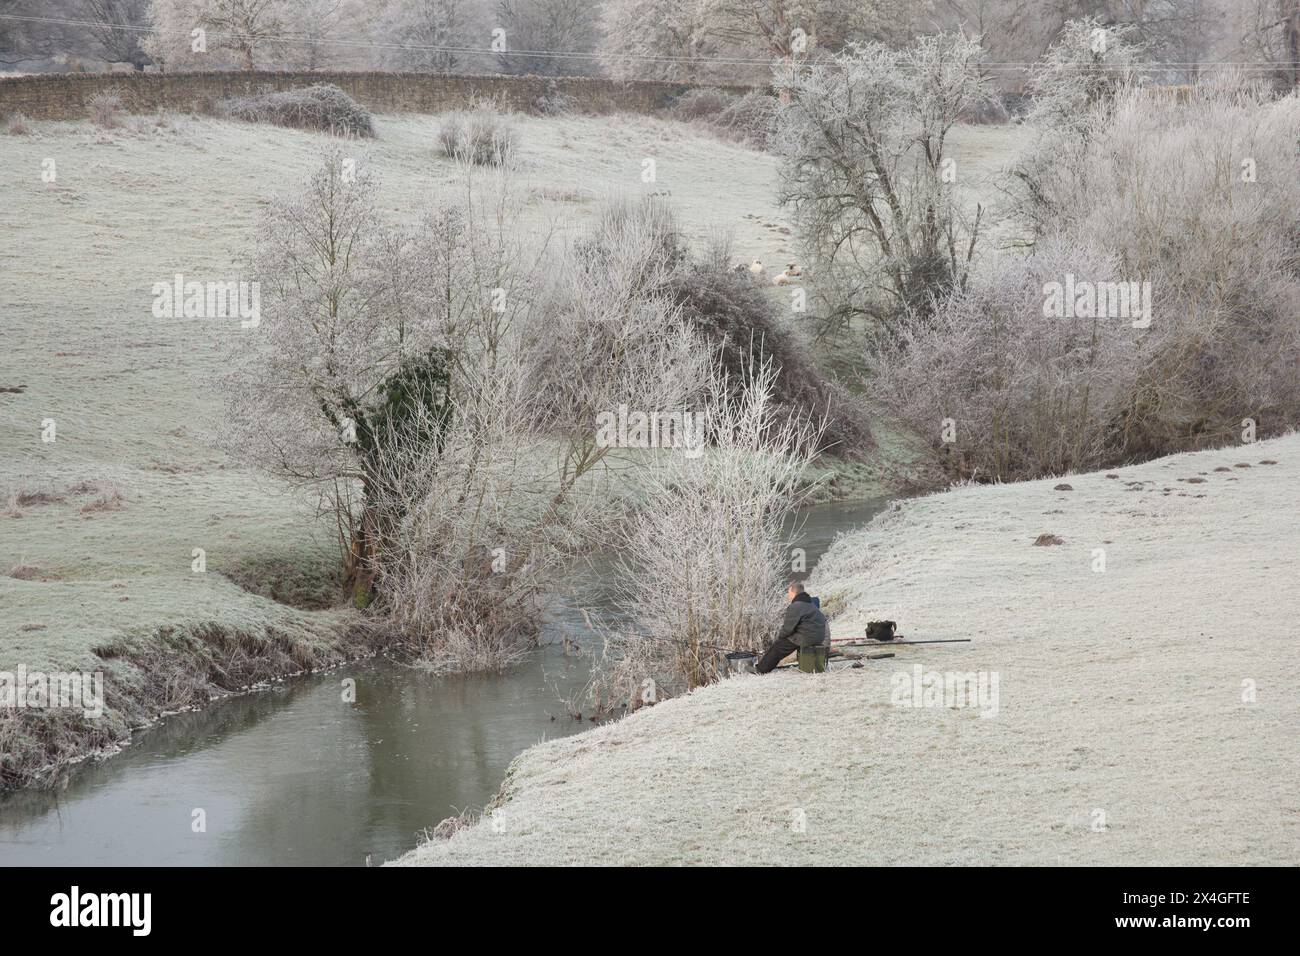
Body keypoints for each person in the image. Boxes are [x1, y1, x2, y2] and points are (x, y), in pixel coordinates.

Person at [755, 582, 828, 673]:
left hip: (807, 637)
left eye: (789, 593)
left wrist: (778, 638)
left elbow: (787, 629)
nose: (788, 596)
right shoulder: (810, 603)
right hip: (818, 637)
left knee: (778, 647)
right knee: (783, 643)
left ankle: (760, 670)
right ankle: (762, 668)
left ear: (794, 593)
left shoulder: (796, 606)